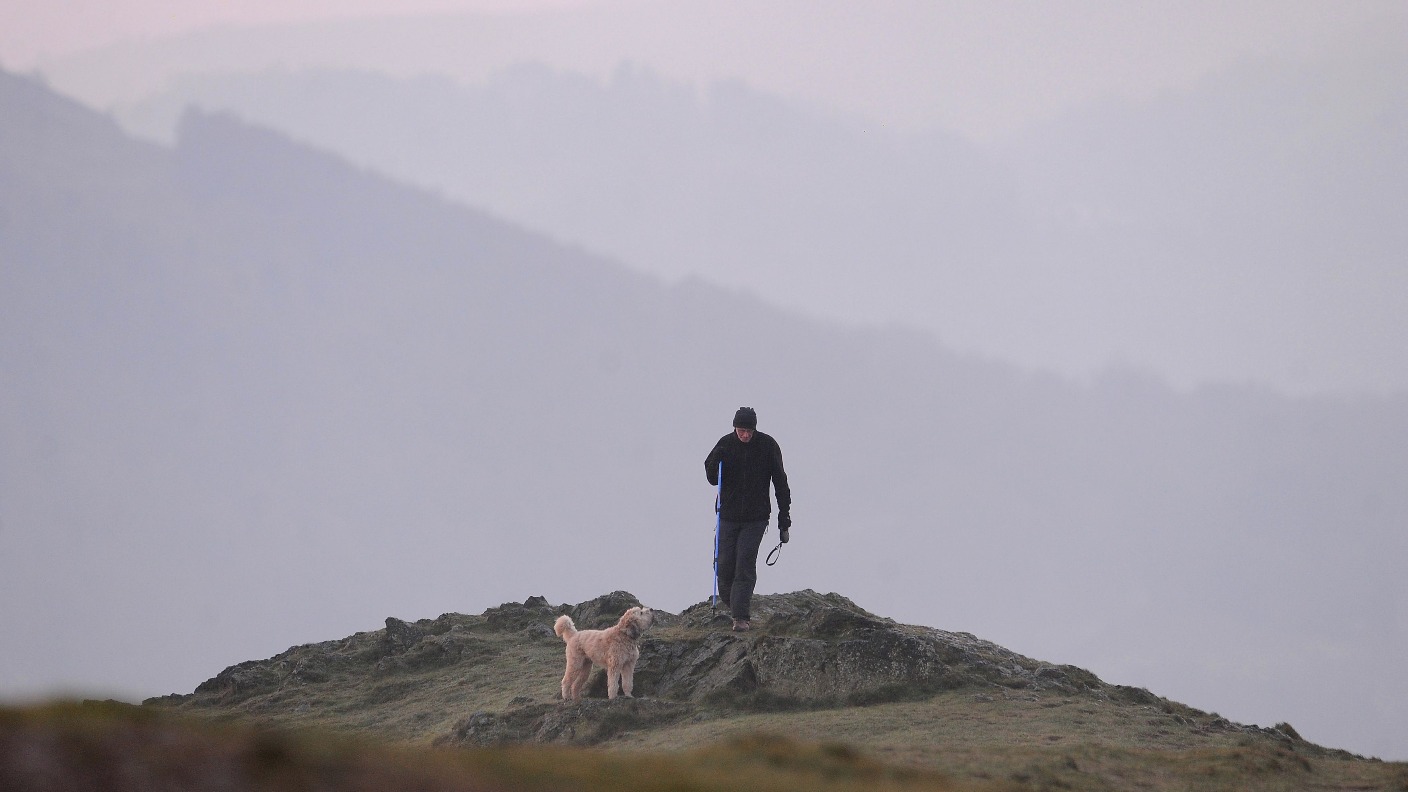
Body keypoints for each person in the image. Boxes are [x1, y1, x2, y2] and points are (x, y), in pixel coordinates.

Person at [705, 406, 791, 632]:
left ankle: (741, 618)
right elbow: (712, 478)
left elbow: (781, 483)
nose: (745, 435)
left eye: (749, 431)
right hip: (727, 515)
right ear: (735, 428)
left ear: (755, 429)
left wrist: (784, 519)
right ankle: (733, 603)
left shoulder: (767, 446)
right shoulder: (724, 444)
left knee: (744, 562)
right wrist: (716, 459)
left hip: (756, 518)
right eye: (741, 430)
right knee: (724, 566)